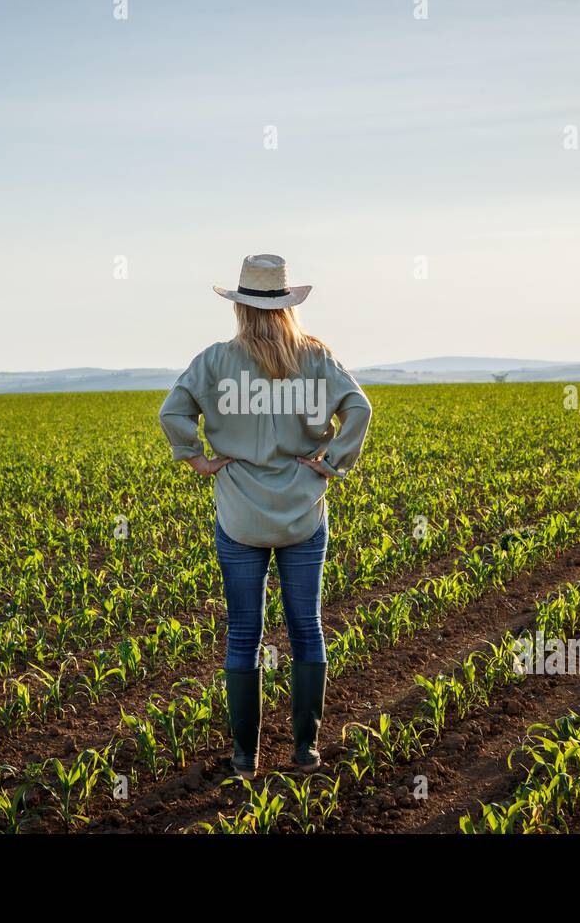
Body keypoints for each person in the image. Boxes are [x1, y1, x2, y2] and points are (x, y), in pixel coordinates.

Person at [158, 254, 373, 779]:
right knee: (308, 628)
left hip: (239, 516)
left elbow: (173, 412)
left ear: (240, 307)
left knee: (242, 635)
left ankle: (244, 757)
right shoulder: (316, 359)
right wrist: (330, 464)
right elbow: (360, 409)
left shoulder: (214, 361)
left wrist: (199, 459)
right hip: (303, 512)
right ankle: (305, 750)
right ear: (286, 307)